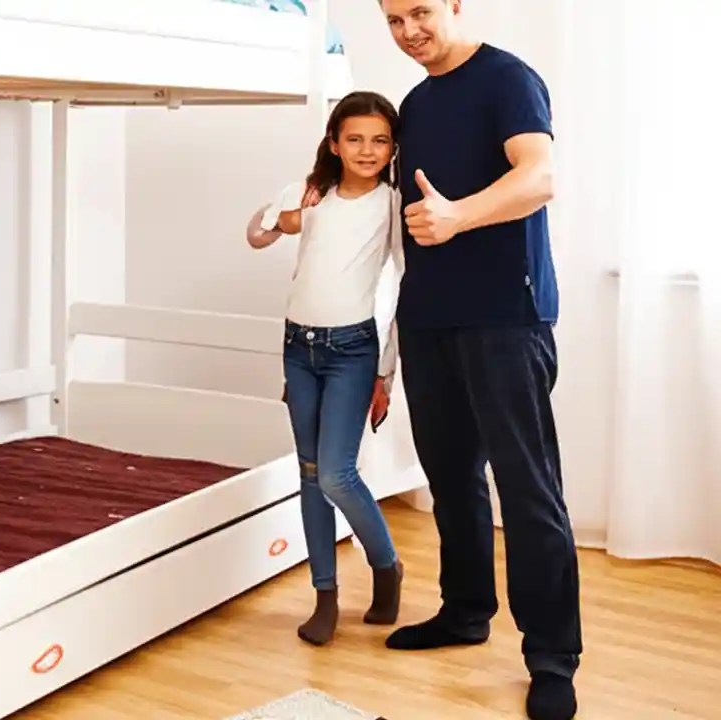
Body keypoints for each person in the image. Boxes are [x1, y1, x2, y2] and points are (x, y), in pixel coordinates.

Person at [301, 2, 582, 719]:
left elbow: (540, 177)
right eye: (394, 20)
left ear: (455, 4)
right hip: (427, 322)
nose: (408, 31)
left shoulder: (508, 79)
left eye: (420, 12)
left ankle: (552, 657)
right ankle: (465, 611)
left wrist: (459, 215)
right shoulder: (416, 105)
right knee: (451, 480)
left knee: (528, 491)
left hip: (505, 320)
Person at [245, 90, 406, 648]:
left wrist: (385, 373)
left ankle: (385, 567)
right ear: (334, 143)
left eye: (380, 140)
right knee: (311, 476)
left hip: (353, 352)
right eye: (355, 138)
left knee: (337, 473)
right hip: (299, 348)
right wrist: (285, 217)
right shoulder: (310, 193)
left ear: (393, 148)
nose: (367, 150)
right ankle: (326, 596)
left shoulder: (391, 204)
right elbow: (256, 236)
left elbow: (404, 288)